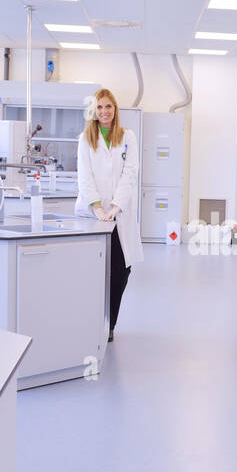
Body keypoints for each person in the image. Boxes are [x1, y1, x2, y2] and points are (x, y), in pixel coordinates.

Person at [75, 88, 142, 341]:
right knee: (93, 271)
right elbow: (85, 175)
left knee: (121, 270)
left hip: (119, 215)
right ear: (94, 111)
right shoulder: (85, 138)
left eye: (109, 106)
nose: (104, 111)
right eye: (100, 107)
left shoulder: (128, 137)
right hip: (92, 215)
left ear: (115, 110)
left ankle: (109, 324)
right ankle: (91, 321)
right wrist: (98, 208)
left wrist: (115, 206)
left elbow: (130, 172)